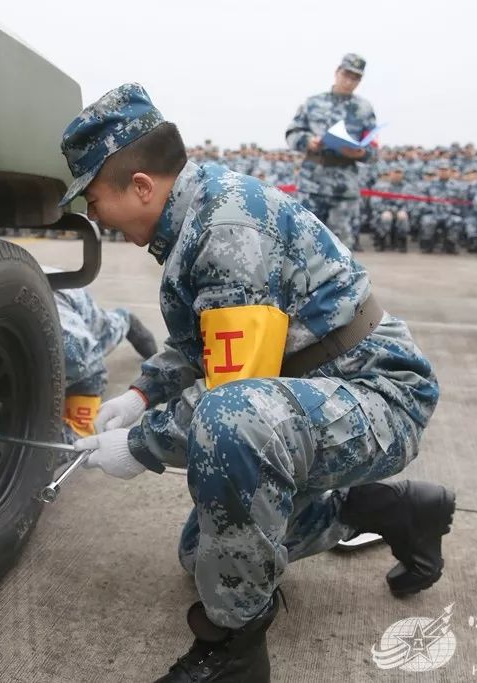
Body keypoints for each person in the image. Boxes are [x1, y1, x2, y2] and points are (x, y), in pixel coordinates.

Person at [57, 83, 452, 682]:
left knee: (229, 423)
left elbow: (231, 395)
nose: (93, 217)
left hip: (376, 398)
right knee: (206, 555)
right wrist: (140, 395)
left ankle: (236, 649)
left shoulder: (229, 227)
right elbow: (203, 346)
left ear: (141, 186)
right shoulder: (194, 218)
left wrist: (138, 446)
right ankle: (391, 511)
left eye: (93, 200)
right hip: (310, 400)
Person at [285, 53, 378, 251]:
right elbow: (292, 134)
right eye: (347, 74)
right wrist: (309, 141)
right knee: (303, 245)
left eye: (356, 78)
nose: (350, 81)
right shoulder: (312, 103)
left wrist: (360, 153)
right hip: (312, 184)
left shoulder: (364, 109)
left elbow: (373, 150)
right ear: (337, 72)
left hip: (344, 189)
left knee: (341, 250)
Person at [51, 279, 158, 440]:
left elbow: (93, 366)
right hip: (25, 279)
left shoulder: (67, 346)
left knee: (104, 333)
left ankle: (125, 321)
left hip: (65, 294)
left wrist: (77, 426)